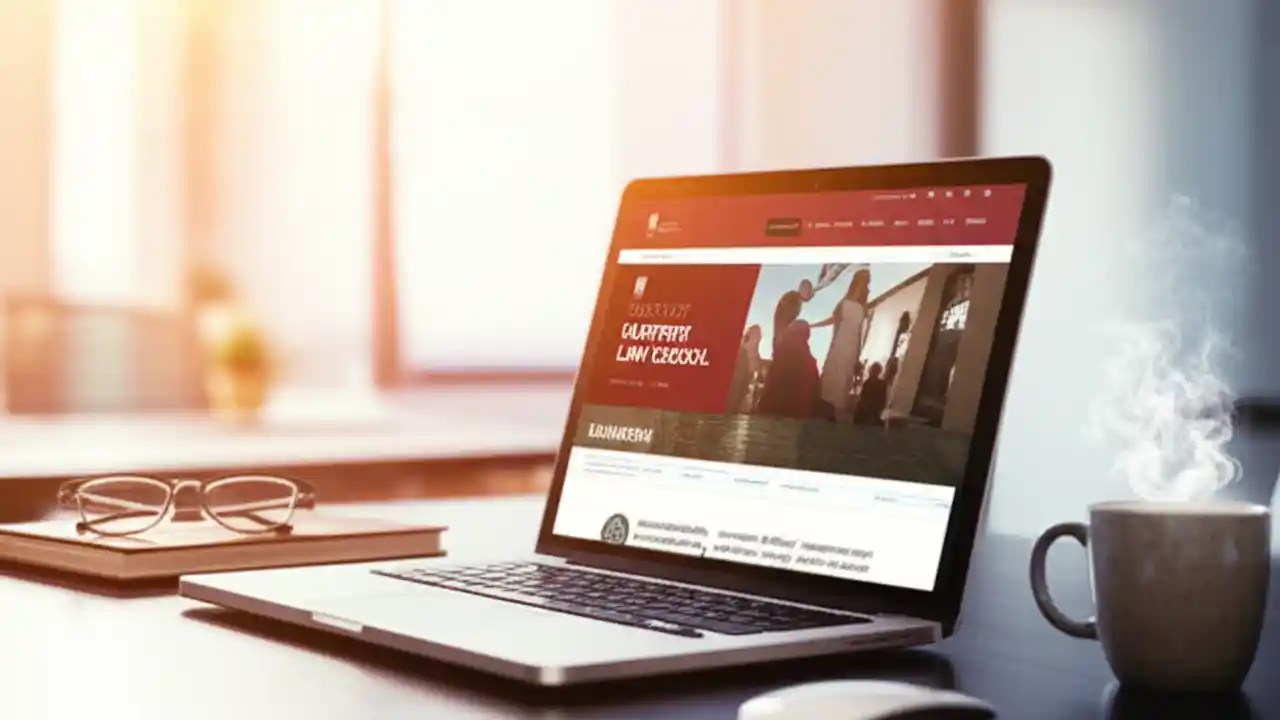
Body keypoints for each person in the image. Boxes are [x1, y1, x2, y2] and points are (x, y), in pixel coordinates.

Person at [813, 268, 870, 413]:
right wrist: (813, 325)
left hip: (852, 347)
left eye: (867, 283)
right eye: (863, 282)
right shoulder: (844, 302)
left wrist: (858, 354)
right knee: (834, 376)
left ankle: (836, 411)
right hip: (840, 343)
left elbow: (861, 332)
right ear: (856, 283)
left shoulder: (864, 307)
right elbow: (833, 320)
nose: (865, 286)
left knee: (845, 380)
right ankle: (825, 409)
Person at [757, 321, 820, 419]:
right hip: (799, 413)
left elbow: (771, 382)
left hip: (773, 410)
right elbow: (815, 389)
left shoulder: (782, 352)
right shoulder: (809, 360)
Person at [772, 279, 814, 355]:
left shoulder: (796, 298)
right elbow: (783, 317)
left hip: (782, 336)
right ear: (802, 289)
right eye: (808, 291)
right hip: (782, 336)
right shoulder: (792, 297)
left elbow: (804, 299)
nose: (809, 293)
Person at [727, 325, 763, 413]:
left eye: (759, 335)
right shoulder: (741, 351)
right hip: (737, 394)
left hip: (745, 395)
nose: (758, 337)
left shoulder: (755, 355)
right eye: (756, 335)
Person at [853, 361, 888, 426]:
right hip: (865, 409)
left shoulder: (880, 384)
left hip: (872, 411)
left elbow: (881, 400)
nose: (872, 372)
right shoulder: (867, 382)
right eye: (872, 370)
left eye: (874, 371)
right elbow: (863, 396)